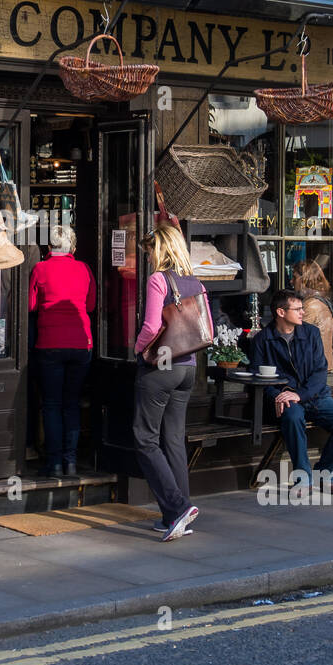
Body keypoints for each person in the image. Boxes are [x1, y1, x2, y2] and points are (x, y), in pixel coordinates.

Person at [133, 224, 210, 541]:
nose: (148, 256)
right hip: (188, 366)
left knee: (145, 438)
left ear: (160, 249)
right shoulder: (196, 282)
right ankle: (178, 514)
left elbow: (152, 325)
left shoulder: (158, 279)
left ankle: (176, 507)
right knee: (174, 440)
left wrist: (138, 348)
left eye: (149, 250)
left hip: (162, 366)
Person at [250, 290, 333, 492]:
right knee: (292, 418)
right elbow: (258, 377)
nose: (302, 313)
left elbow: (320, 372)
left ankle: (324, 473)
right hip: (284, 399)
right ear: (281, 312)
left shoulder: (311, 333)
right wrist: (276, 395)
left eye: (302, 309)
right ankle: (303, 478)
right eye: (298, 309)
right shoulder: (262, 340)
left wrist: (301, 394)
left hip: (314, 396)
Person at [29, 223, 96, 477]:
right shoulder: (84, 269)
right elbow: (90, 305)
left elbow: (31, 305)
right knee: (71, 403)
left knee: (52, 404)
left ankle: (54, 463)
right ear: (73, 247)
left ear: (49, 247)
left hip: (50, 345)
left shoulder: (40, 268)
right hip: (81, 345)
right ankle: (70, 462)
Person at [292, 256, 333, 372]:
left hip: (314, 368)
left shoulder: (311, 305)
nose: (291, 281)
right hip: (321, 365)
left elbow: (299, 337)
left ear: (305, 279)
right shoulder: (321, 301)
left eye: (294, 277)